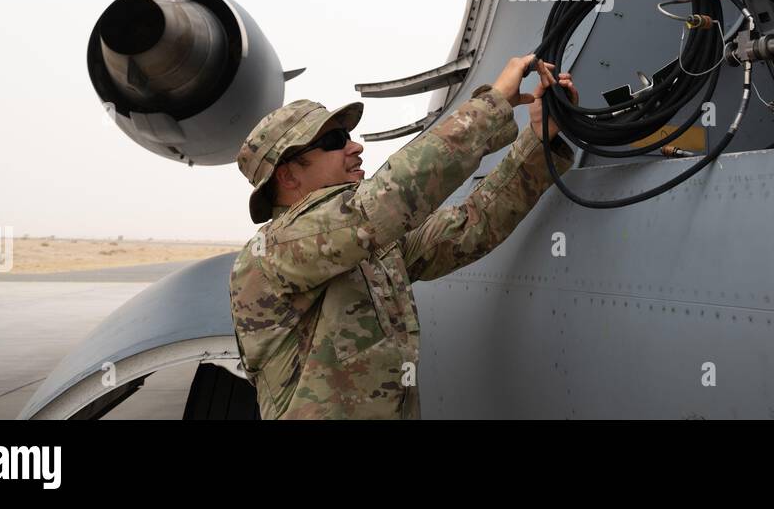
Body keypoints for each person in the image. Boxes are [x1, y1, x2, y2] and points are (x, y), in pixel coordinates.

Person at [229, 54, 577, 419]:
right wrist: (492, 104)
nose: (355, 147)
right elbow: (386, 199)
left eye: (348, 136)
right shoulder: (274, 252)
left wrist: (537, 142)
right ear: (287, 177)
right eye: (333, 140)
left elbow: (471, 226)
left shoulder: (365, 245)